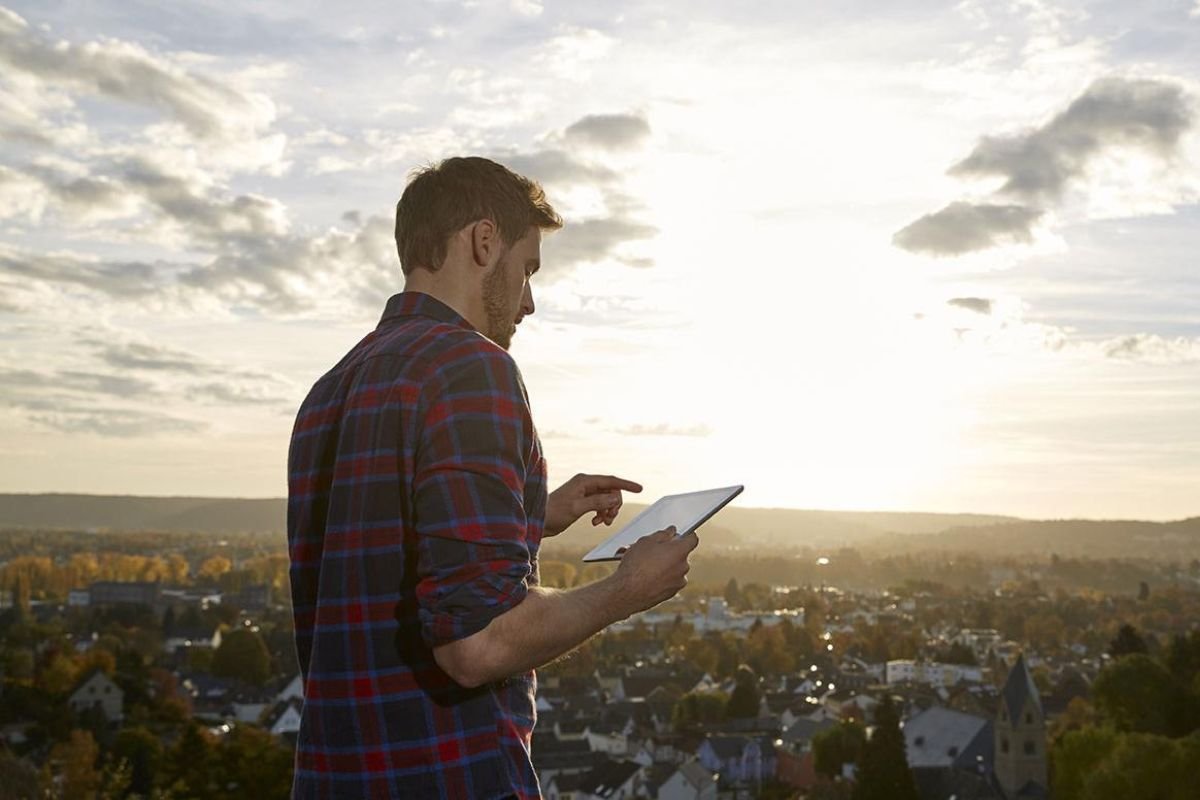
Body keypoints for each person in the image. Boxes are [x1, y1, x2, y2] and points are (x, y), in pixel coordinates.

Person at [287, 156, 698, 799]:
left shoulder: (331, 388)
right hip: (448, 777)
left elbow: (382, 554)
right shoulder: (471, 368)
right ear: (484, 242)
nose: (530, 301)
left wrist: (532, 513)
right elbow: (476, 644)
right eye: (528, 267)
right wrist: (626, 589)